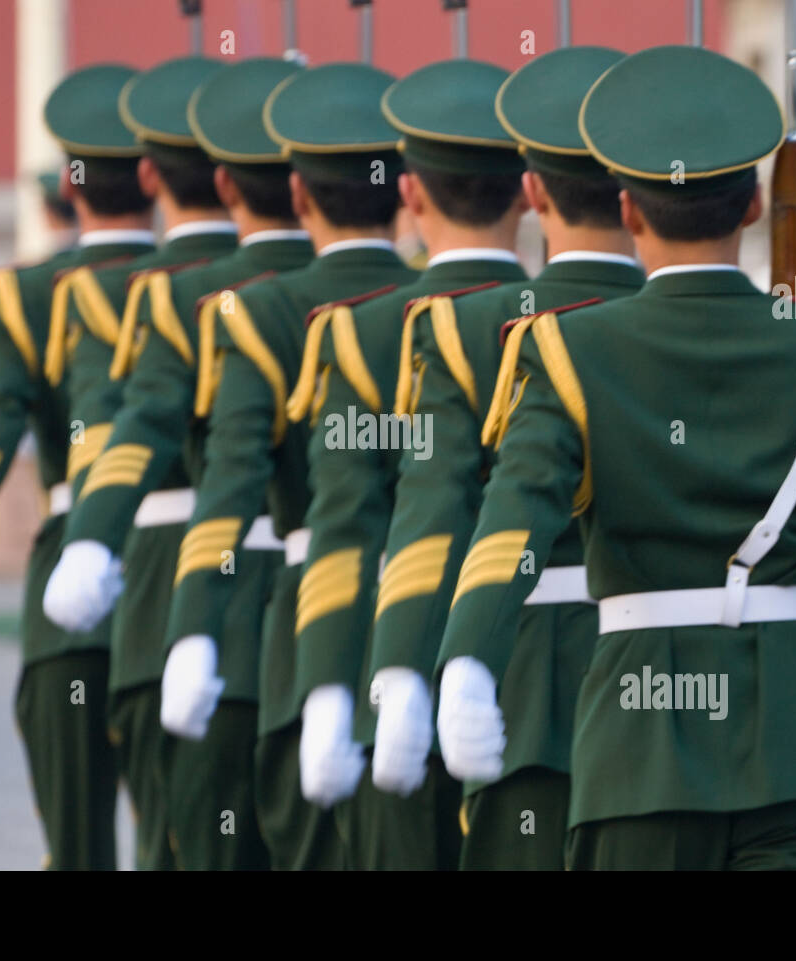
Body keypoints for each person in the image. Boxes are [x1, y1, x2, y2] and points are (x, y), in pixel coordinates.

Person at [437, 45, 796, 870]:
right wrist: (785, 641)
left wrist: (468, 656)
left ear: (631, 209)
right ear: (755, 204)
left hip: (637, 759)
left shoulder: (565, 351)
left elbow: (514, 523)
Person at [366, 46, 644, 871]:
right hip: (690, 693)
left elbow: (436, 505)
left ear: (534, 191)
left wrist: (409, 668)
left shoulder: (461, 327)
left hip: (524, 675)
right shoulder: (706, 323)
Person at [46, 57, 315, 871]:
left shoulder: (171, 296)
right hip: (348, 612)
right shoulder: (394, 296)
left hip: (191, 598)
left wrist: (88, 536)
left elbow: (138, 429)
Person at [0, 63, 160, 870]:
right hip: (176, 581)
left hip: (65, 585)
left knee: (75, 844)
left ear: (71, 189)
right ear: (154, 180)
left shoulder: (23, 294)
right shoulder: (201, 286)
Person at [157, 61, 418, 870]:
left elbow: (230, 478)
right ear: (405, 190)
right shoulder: (448, 308)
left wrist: (193, 621)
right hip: (432, 627)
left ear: (302, 198)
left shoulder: (260, 310)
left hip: (305, 623)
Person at [287, 59, 534, 870]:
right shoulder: (583, 323)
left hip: (385, 670)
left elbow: (347, 520)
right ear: (527, 191)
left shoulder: (362, 332)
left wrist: (333, 681)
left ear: (413, 195)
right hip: (545, 681)